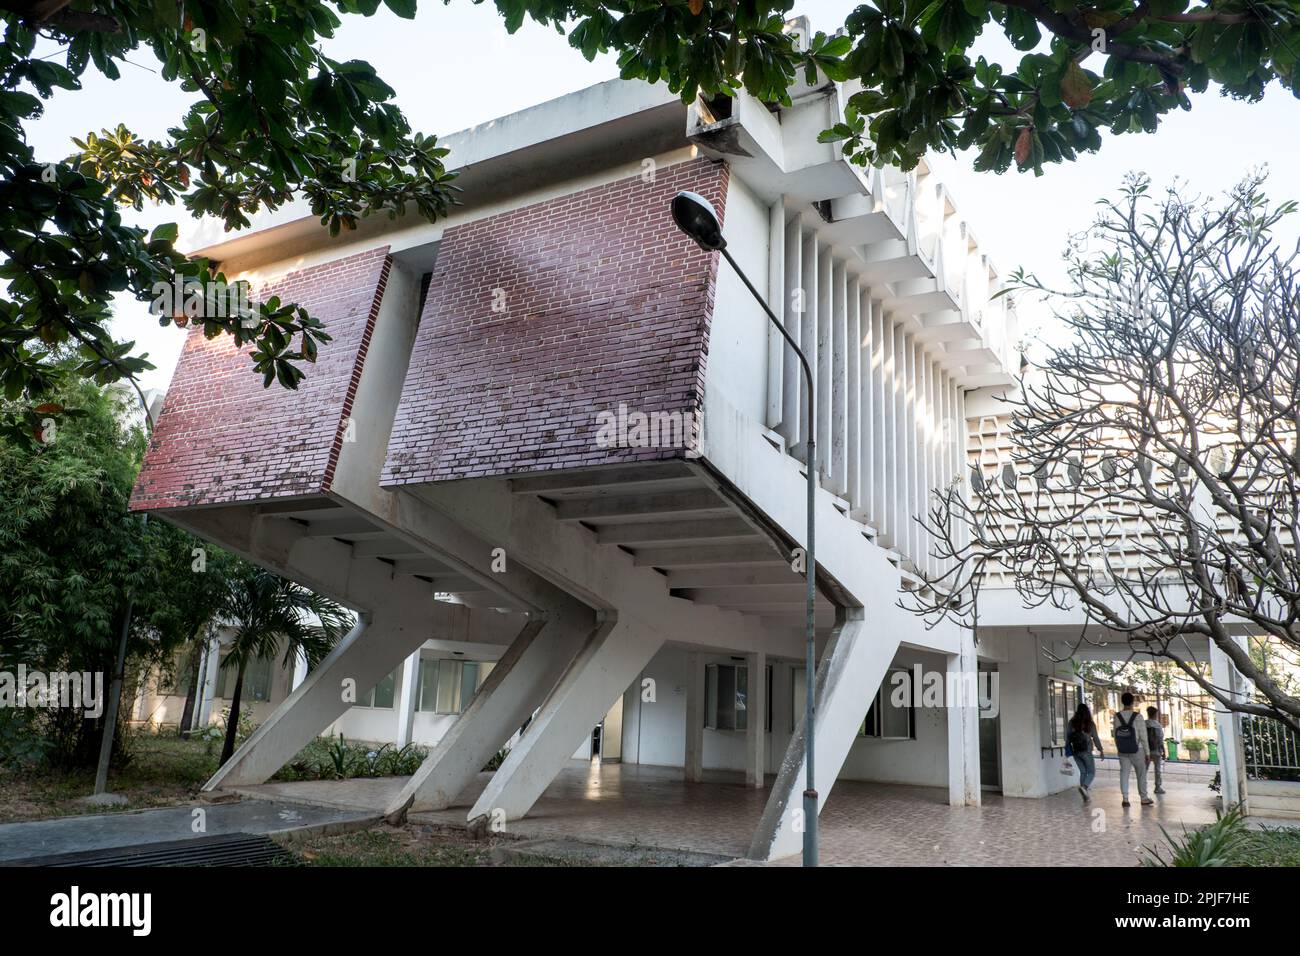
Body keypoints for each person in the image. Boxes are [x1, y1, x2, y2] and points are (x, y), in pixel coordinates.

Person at [1112, 692, 1154, 807]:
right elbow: (1143, 736)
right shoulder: (1138, 717)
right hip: (1138, 750)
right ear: (1132, 702)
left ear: (1122, 701)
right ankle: (1144, 798)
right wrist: (1148, 753)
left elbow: (1115, 735)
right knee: (1141, 774)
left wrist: (1119, 747)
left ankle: (1125, 799)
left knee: (1124, 773)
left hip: (1122, 751)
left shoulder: (1117, 716)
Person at [1067, 703, 1104, 802]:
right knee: (1091, 772)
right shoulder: (1090, 723)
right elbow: (1095, 738)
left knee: (1083, 772)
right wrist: (1100, 749)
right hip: (1086, 751)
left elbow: (1068, 737)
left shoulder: (1072, 722)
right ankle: (1084, 787)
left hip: (1076, 751)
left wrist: (1068, 750)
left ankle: (1085, 795)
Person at [1146, 706, 1167, 795]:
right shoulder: (1158, 725)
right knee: (1157, 769)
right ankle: (1157, 787)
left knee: (1144, 770)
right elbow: (1160, 739)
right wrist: (1164, 751)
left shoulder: (1144, 723)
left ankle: (1143, 787)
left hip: (1146, 751)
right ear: (1155, 714)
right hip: (1156, 751)